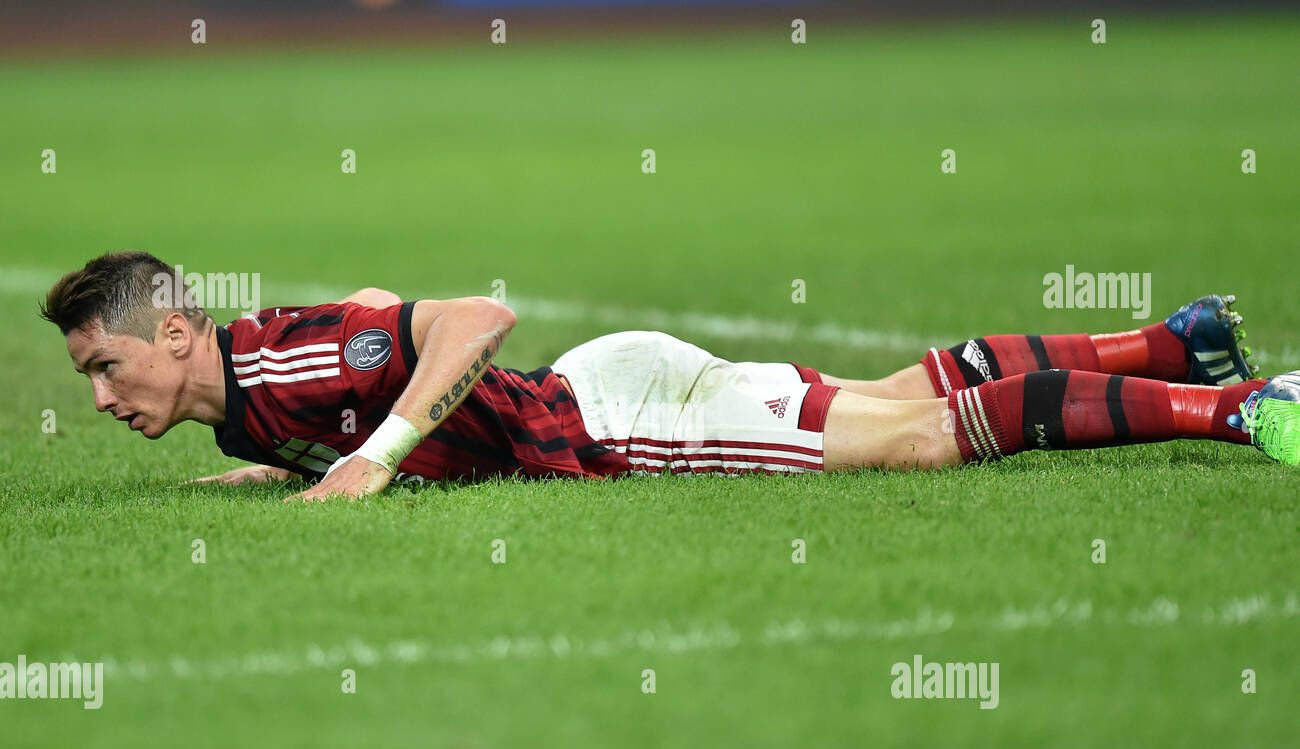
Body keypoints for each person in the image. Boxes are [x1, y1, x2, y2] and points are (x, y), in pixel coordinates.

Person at [40, 251, 1300, 502]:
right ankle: (1171, 345)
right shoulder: (235, 415)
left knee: (919, 443)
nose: (102, 398)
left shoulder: (294, 353)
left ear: (178, 332)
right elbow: (318, 410)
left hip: (623, 420)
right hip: (612, 382)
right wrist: (304, 461)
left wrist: (374, 458)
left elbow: (475, 314)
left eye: (106, 366)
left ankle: (1239, 409)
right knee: (901, 400)